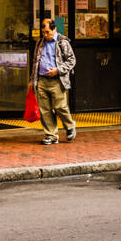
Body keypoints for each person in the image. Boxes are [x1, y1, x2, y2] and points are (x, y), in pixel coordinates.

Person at [29, 17, 76, 145]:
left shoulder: (62, 42)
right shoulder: (40, 43)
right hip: (42, 80)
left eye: (48, 32)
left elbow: (72, 60)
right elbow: (35, 62)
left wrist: (58, 70)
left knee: (60, 106)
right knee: (45, 109)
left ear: (54, 29)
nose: (45, 35)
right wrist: (32, 79)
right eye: (43, 32)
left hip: (56, 80)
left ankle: (70, 126)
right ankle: (51, 135)